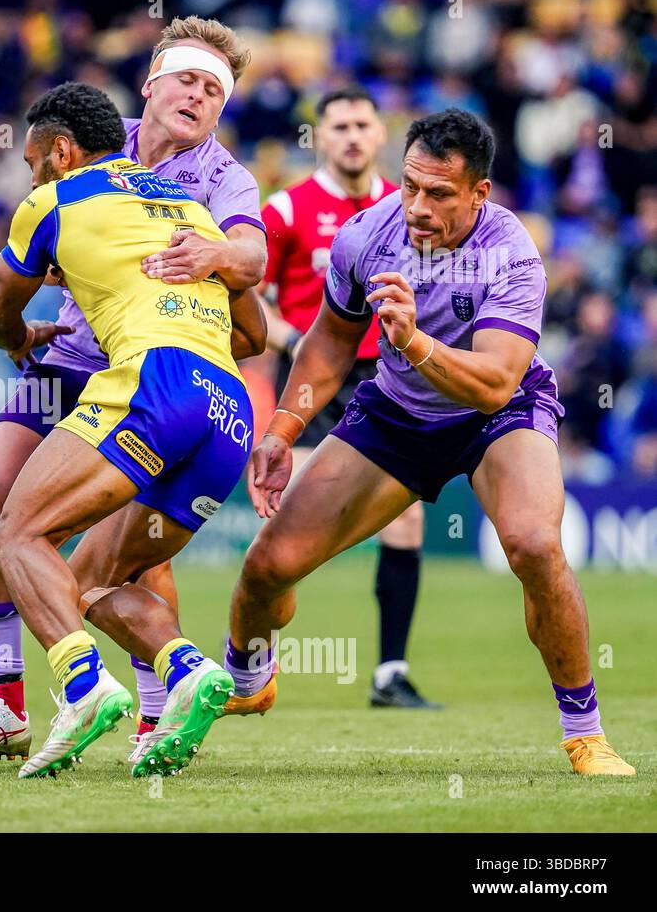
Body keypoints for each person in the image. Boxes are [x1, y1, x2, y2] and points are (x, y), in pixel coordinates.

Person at [228, 109, 634, 777]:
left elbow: (497, 382)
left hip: (497, 415)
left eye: (439, 193)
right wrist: (282, 430)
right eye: (411, 185)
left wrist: (413, 340)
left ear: (480, 193)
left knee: (535, 545)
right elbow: (329, 342)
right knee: (267, 568)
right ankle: (248, 679)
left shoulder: (512, 250)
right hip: (397, 414)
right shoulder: (367, 233)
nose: (417, 205)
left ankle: (585, 732)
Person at [0, 16, 267, 763]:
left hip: (144, 371)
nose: (199, 96)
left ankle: (145, 707)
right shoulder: (93, 133)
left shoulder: (224, 180)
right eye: (189, 79)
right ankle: (7, 702)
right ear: (153, 81)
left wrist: (215, 255)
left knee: (116, 556)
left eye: (215, 90)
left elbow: (250, 263)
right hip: (74, 354)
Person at [260, 86, 437, 708]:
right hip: (317, 378)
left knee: (406, 518)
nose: (353, 135)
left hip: (388, 382)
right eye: (340, 126)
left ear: (382, 134)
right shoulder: (286, 208)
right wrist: (285, 335)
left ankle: (391, 672)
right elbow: (249, 286)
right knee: (291, 521)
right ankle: (259, 655)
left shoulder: (407, 207)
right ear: (320, 137)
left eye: (363, 124)